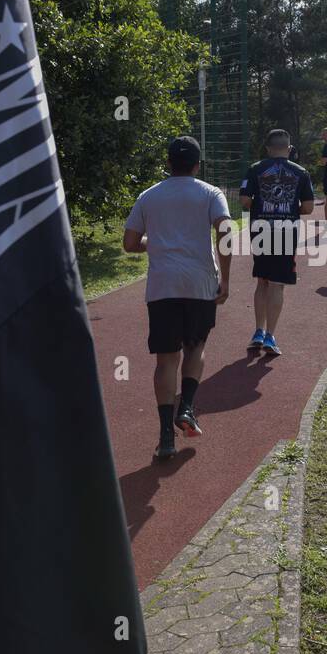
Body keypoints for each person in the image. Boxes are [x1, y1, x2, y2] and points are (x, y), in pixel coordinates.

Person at [123, 136, 231, 460]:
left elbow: (129, 243)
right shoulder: (211, 193)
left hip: (162, 286)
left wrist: (152, 243)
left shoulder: (149, 196)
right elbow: (224, 231)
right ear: (198, 165)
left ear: (168, 164)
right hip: (199, 283)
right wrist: (226, 279)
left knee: (166, 359)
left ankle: (166, 435)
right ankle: (186, 408)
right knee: (195, 347)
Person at [240, 129, 315, 357]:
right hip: (286, 231)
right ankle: (271, 336)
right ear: (289, 148)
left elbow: (244, 202)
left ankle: (258, 332)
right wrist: (290, 209)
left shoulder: (254, 169)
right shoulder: (301, 172)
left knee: (262, 281)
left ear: (267, 148)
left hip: (260, 230)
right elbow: (309, 207)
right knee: (277, 284)